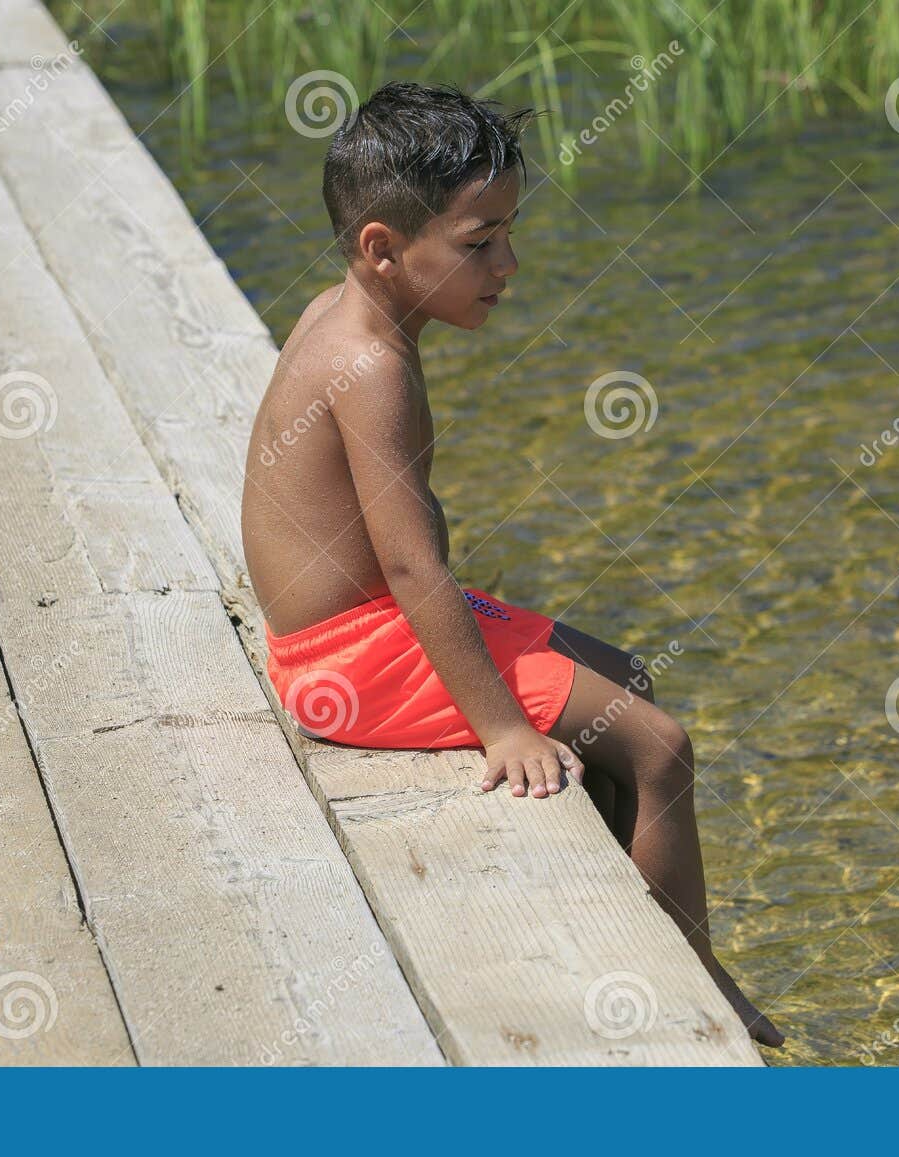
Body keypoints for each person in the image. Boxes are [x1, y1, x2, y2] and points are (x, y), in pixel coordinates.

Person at [239, 80, 782, 1048]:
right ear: (382, 247)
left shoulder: (349, 313)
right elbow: (411, 569)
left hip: (363, 631)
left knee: (625, 677)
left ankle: (626, 931)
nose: (508, 264)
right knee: (660, 745)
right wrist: (500, 727)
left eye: (507, 234)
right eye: (478, 242)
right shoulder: (372, 368)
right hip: (349, 662)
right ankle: (699, 989)